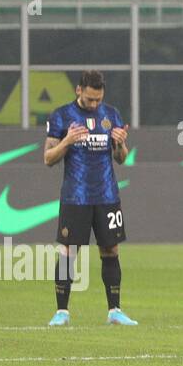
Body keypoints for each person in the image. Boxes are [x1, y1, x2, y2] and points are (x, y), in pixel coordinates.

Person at [43, 71, 135, 327]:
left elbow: (121, 158)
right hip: (76, 196)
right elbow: (48, 158)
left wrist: (120, 144)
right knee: (68, 251)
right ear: (79, 91)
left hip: (107, 195)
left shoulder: (111, 115)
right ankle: (62, 312)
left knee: (111, 249)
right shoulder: (62, 116)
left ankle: (115, 311)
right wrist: (67, 141)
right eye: (90, 99)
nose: (94, 104)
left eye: (98, 99)